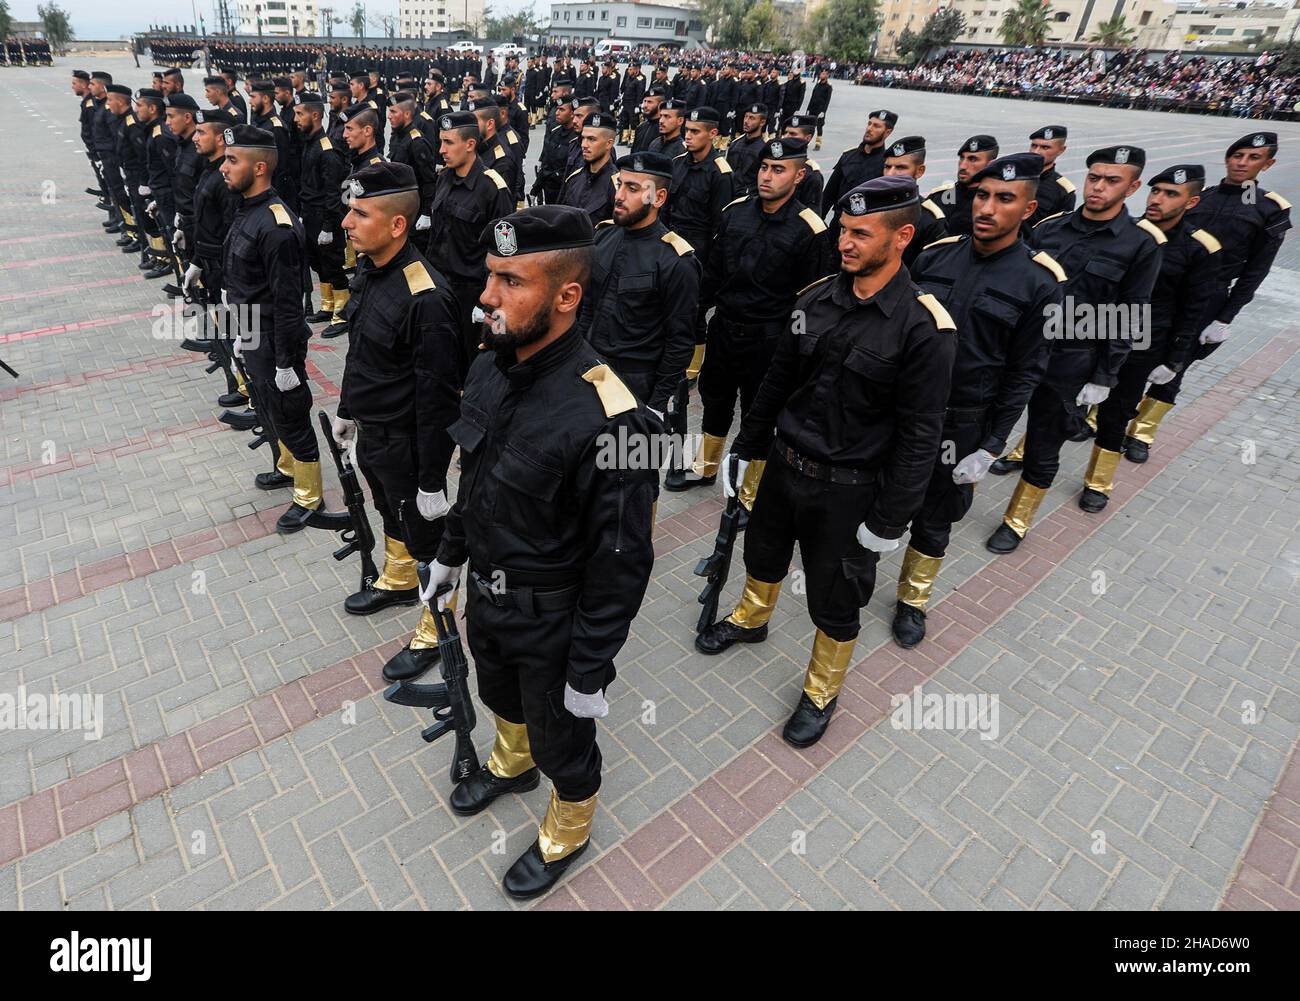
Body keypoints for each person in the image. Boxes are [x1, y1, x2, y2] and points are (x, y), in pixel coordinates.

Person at [428, 205, 658, 899]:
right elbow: (473, 481)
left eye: (509, 282)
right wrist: (447, 554)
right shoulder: (494, 367)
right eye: (490, 276)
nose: (486, 297)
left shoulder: (619, 417)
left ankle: (570, 821)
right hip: (490, 604)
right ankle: (510, 761)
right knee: (500, 696)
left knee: (564, 737)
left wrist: (590, 668)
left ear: (566, 296)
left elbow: (623, 562)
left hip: (553, 621)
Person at [695, 177, 956, 748]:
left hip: (849, 490)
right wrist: (747, 449)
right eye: (842, 230)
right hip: (785, 468)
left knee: (835, 599)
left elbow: (919, 436)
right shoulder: (812, 300)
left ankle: (820, 690)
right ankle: (752, 617)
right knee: (760, 553)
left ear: (903, 237)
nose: (845, 242)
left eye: (861, 233)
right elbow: (778, 381)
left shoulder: (923, 328)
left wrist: (888, 522)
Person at [893, 154, 1063, 649]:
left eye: (1004, 199)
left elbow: (1026, 371)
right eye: (982, 195)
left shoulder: (1041, 283)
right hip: (903, 409)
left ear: (1028, 209)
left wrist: (990, 445)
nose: (987, 208)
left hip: (961, 422)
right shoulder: (934, 256)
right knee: (875, 495)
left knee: (935, 516)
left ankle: (913, 598)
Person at [986, 146, 1164, 553]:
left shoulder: (1139, 245)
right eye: (1094, 177)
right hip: (1020, 352)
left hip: (1072, 360)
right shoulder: (1049, 229)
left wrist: (1104, 376)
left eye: (1111, 180)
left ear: (1133, 186)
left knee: (1045, 445)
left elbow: (1130, 312)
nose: (1098, 187)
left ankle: (1016, 520)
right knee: (989, 422)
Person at [330, 163, 464, 677]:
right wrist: (346, 410)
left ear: (396, 226)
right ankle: (400, 577)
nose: (347, 221)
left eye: (361, 213)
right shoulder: (371, 269)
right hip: (374, 432)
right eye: (350, 210)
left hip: (409, 443)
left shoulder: (426, 297)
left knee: (426, 534)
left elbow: (438, 400)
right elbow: (360, 353)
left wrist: (433, 480)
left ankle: (437, 628)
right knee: (388, 511)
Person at [672, 137, 832, 500]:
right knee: (715, 400)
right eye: (764, 167)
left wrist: (798, 354)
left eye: (779, 170)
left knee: (760, 413)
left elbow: (812, 301)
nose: (767, 176)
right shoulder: (735, 212)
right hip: (726, 328)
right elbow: (712, 274)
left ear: (799, 175)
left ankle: (749, 490)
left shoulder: (811, 229)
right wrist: (692, 313)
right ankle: (705, 466)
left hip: (771, 339)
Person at [1133, 131, 1291, 460]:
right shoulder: (1199, 196)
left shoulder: (1267, 208)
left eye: (1253, 157)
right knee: (1131, 353)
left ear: (1268, 163)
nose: (1242, 163)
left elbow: (1256, 271)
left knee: (1175, 366)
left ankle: (1142, 432)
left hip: (1209, 297)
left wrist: (1225, 317)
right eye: (1238, 155)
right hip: (1163, 287)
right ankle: (1105, 415)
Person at [1086, 164, 1225, 508]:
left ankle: (1098, 482)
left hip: (1145, 343)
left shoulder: (1199, 248)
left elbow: (1193, 310)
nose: (1158, 200)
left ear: (1191, 202)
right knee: (1059, 400)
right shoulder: (1125, 233)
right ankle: (1025, 451)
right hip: (1097, 330)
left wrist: (1176, 358)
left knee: (1116, 413)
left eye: (1171, 194)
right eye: (1155, 191)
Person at [220, 124, 329, 534]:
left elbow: (286, 303)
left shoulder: (277, 225)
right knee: (267, 407)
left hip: (273, 338)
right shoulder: (248, 209)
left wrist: (286, 361)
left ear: (260, 167)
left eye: (233, 160)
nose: (224, 168)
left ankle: (309, 496)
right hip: (251, 330)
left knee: (290, 410)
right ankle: (286, 466)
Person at [576, 151, 700, 422]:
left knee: (625, 461)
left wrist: (656, 406)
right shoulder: (603, 236)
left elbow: (679, 343)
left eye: (633, 188)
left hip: (636, 384)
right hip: (592, 370)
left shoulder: (675, 261)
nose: (619, 195)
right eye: (620, 184)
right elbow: (588, 306)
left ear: (658, 198)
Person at [425, 110, 515, 362]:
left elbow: (505, 255)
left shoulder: (493, 188)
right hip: (442, 289)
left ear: (470, 144)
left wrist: (488, 304)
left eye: (448, 142)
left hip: (473, 295)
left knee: (475, 361)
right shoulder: (444, 178)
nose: (441, 149)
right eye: (441, 141)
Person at [294, 92, 349, 330]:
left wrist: (328, 226)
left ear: (315, 115)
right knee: (318, 263)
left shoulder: (327, 149)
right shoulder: (309, 143)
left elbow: (332, 192)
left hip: (324, 216)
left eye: (300, 114)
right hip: (310, 215)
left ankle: (343, 312)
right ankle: (328, 305)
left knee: (332, 264)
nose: (296, 119)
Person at [822, 110, 897, 245]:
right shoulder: (848, 157)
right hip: (836, 228)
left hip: (863, 234)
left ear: (887, 132)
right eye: (869, 124)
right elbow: (828, 195)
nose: (869, 129)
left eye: (876, 126)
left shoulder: (887, 165)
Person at [880, 136, 946, 267]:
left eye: (900, 168)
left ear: (919, 171)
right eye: (887, 167)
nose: (890, 174)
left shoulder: (930, 220)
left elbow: (932, 268)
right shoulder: (870, 206)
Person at [928, 135, 999, 238]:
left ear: (990, 165)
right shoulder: (942, 196)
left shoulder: (998, 203)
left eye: (973, 159)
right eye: (962, 158)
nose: (963, 166)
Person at [558, 110, 618, 225]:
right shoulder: (574, 178)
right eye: (583, 138)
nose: (584, 145)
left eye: (591, 139)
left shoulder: (616, 186)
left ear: (609, 144)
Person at [1028, 125, 1076, 227]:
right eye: (1034, 146)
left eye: (1045, 147)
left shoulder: (1063, 191)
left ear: (1061, 150)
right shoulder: (1013, 176)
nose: (1036, 152)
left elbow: (1058, 230)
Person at [725, 103, 769, 197]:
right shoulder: (735, 144)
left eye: (752, 118)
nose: (746, 121)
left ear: (762, 122)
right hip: (728, 193)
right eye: (746, 117)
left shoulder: (765, 149)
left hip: (748, 198)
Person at [805, 68, 832, 150]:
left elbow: (827, 100)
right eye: (821, 74)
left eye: (824, 74)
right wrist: (808, 109)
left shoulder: (828, 87)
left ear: (827, 75)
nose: (821, 75)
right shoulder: (817, 84)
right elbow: (812, 97)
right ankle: (807, 142)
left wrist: (823, 111)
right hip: (813, 108)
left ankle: (818, 144)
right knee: (810, 127)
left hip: (820, 110)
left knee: (819, 127)